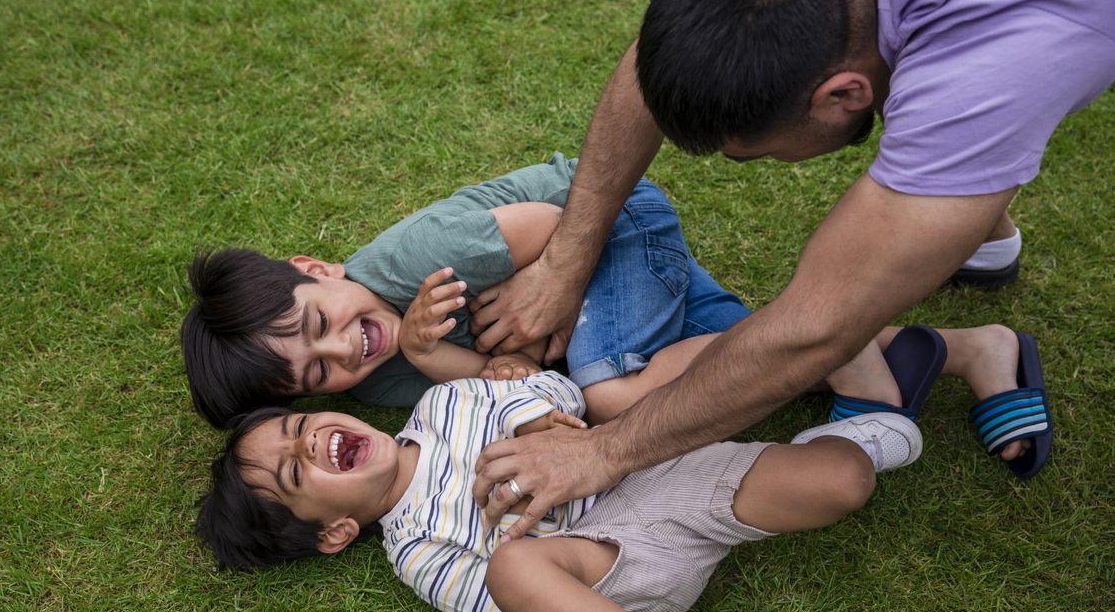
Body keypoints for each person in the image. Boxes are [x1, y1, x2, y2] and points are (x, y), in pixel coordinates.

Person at [468, 0, 1096, 533]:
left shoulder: (994, 53)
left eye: (753, 153)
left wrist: (605, 450)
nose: (747, 162)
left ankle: (961, 218)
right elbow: (679, 46)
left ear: (843, 94)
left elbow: (818, 326)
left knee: (936, 165)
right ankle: (976, 233)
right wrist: (568, 259)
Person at [196, 369, 930, 612]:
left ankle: (834, 442)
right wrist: (528, 530)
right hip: (613, 567)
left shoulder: (442, 403)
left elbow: (550, 390)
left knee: (842, 481)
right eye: (299, 470)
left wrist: (537, 422)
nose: (314, 441)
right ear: (333, 532)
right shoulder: (414, 551)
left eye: (300, 427)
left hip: (654, 477)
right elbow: (522, 609)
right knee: (516, 566)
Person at [180, 154, 752, 428]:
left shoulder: (416, 260)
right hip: (601, 278)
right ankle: (810, 341)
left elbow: (562, 226)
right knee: (714, 338)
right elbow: (498, 384)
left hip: (612, 218)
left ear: (317, 270)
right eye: (319, 374)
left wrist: (554, 299)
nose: (343, 351)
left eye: (319, 325)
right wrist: (452, 357)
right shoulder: (376, 389)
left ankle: (772, 353)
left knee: (608, 397)